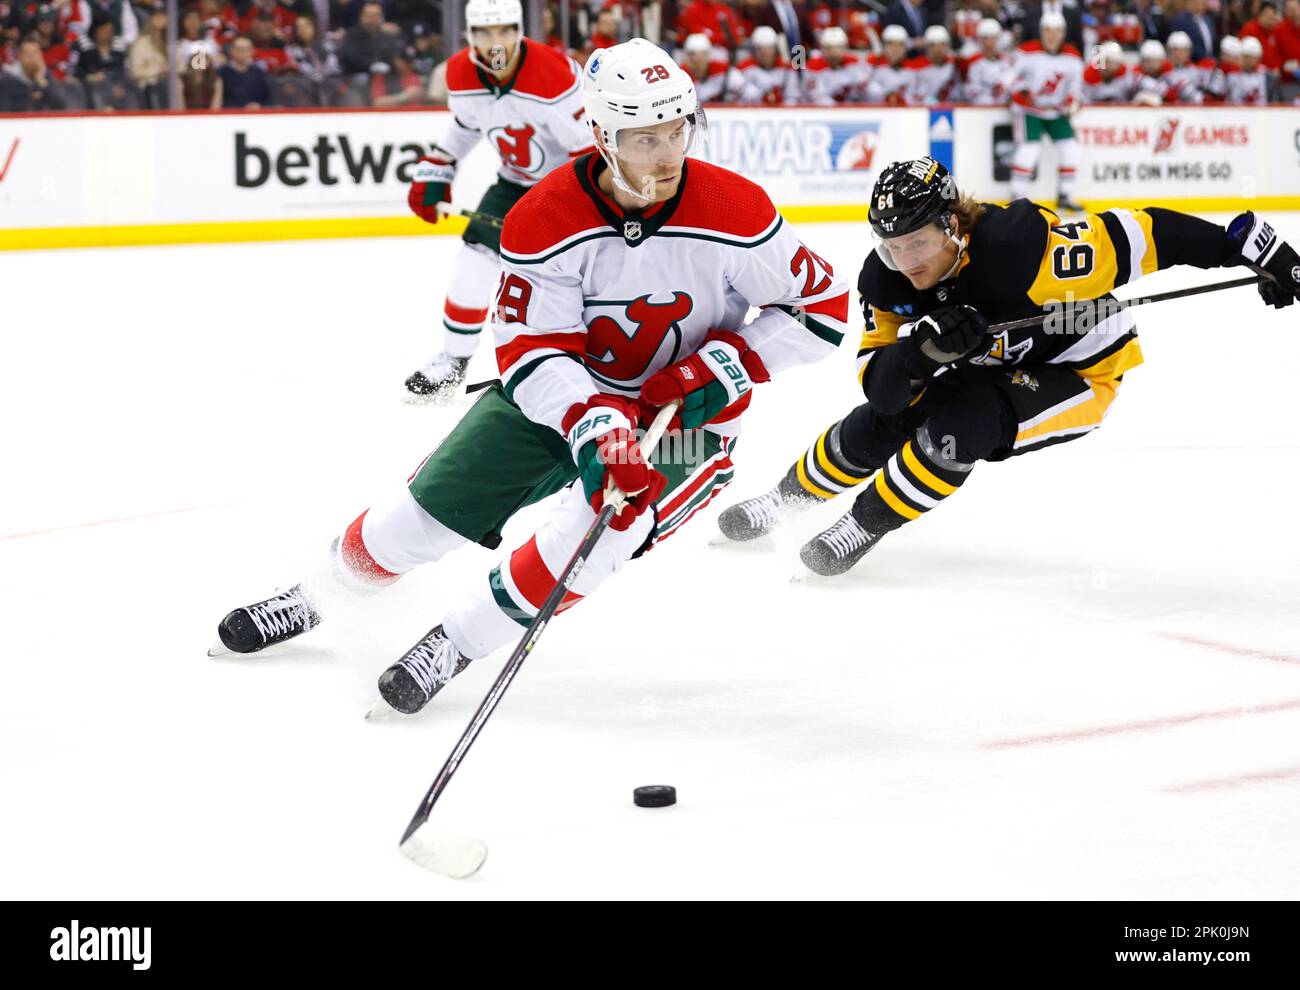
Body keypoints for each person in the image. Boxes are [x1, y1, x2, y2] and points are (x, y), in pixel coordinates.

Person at [214, 38, 850, 717]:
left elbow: (823, 309)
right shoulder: (544, 217)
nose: (666, 155)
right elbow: (532, 349)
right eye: (643, 137)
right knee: (420, 518)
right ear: (602, 134)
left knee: (597, 533)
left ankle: (454, 643)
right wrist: (596, 422)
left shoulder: (736, 211)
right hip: (565, 401)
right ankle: (317, 594)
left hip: (685, 423)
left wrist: (720, 367)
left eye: (676, 130)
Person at [715, 156, 1300, 576]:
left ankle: (865, 523)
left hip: (1075, 370)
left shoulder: (1029, 250)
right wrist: (921, 354)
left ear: (952, 224)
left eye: (917, 243)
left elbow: (1148, 234)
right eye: (892, 246)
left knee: (959, 427)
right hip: (991, 362)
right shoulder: (883, 279)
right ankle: (786, 499)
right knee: (883, 421)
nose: (905, 261)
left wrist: (1250, 245)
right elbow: (883, 388)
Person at [402, 0, 594, 401]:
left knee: (575, 279)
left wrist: (577, 209)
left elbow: (588, 153)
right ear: (469, 36)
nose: (495, 41)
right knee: (473, 261)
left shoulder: (552, 74)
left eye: (504, 30)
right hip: (512, 184)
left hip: (569, 185)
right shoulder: (459, 72)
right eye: (485, 32)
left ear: (520, 30)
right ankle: (453, 360)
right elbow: (465, 125)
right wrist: (440, 163)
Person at [1008, 12, 1083, 211]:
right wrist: (1019, 91)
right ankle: (1018, 197)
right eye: (1048, 30)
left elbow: (1076, 86)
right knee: (1028, 150)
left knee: (1071, 149)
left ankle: (1065, 194)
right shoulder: (1025, 51)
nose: (1052, 35)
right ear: (1041, 32)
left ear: (1063, 33)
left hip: (1056, 111)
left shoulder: (1073, 56)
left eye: (1057, 31)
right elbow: (1006, 76)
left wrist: (1072, 100)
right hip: (1029, 110)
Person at [803, 25, 866, 104]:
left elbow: (863, 89)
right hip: (821, 113)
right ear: (822, 48)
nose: (834, 52)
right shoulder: (813, 66)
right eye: (829, 48)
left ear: (845, 48)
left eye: (838, 47)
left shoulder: (854, 63)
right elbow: (819, 99)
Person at [0, 33, 65, 109]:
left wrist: (42, 82)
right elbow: (4, 111)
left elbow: (61, 106)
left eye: (35, 53)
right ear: (19, 56)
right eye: (27, 54)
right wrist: (30, 100)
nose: (32, 58)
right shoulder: (8, 79)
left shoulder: (46, 75)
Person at [736, 23, 797, 103]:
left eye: (769, 49)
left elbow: (793, 97)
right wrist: (761, 97)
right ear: (754, 50)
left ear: (775, 49)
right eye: (761, 50)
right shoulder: (743, 69)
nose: (766, 54)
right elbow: (740, 98)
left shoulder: (786, 68)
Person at [904, 23, 962, 103]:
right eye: (933, 45)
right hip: (923, 110)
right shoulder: (916, 67)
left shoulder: (955, 64)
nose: (937, 49)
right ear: (926, 47)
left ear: (947, 46)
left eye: (941, 44)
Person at [679, 31, 744, 102]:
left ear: (709, 55)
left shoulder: (724, 71)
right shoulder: (680, 76)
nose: (698, 60)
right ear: (687, 57)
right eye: (693, 55)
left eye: (703, 54)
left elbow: (742, 89)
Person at [962, 17, 1014, 106]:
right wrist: (989, 91)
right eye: (985, 39)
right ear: (979, 40)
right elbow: (968, 92)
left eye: (993, 38)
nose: (989, 43)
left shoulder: (1008, 62)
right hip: (982, 110)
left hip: (1004, 110)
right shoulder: (973, 63)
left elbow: (1012, 87)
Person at [218, 33, 271, 107]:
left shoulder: (258, 73)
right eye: (239, 49)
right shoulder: (222, 72)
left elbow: (267, 99)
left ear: (252, 51)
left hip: (255, 115)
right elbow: (218, 101)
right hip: (230, 115)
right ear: (232, 51)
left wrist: (258, 105)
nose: (243, 52)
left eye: (246, 49)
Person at [866, 22, 911, 103]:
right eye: (890, 44)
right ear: (884, 46)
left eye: (899, 45)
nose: (895, 49)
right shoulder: (871, 66)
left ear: (905, 48)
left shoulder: (913, 69)